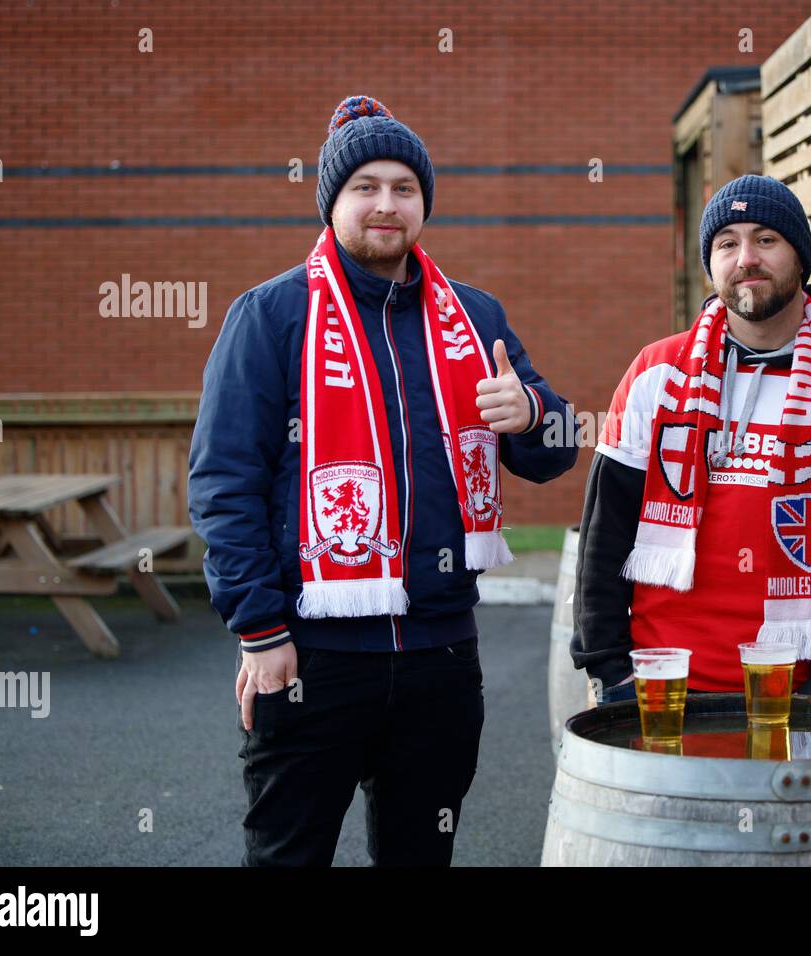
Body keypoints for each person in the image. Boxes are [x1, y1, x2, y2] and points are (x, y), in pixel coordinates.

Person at [187, 95, 578, 866]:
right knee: (286, 857)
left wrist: (531, 412)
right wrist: (259, 631)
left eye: (404, 187)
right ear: (333, 201)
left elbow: (555, 452)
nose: (386, 204)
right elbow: (223, 484)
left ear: (423, 202)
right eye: (365, 186)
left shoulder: (474, 316)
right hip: (309, 655)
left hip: (441, 653)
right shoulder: (271, 317)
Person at [572, 174, 811, 704]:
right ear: (711, 265)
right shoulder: (656, 373)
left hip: (799, 695)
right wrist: (609, 671)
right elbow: (605, 531)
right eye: (727, 243)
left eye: (766, 239)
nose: (746, 258)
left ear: (801, 257)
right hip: (659, 684)